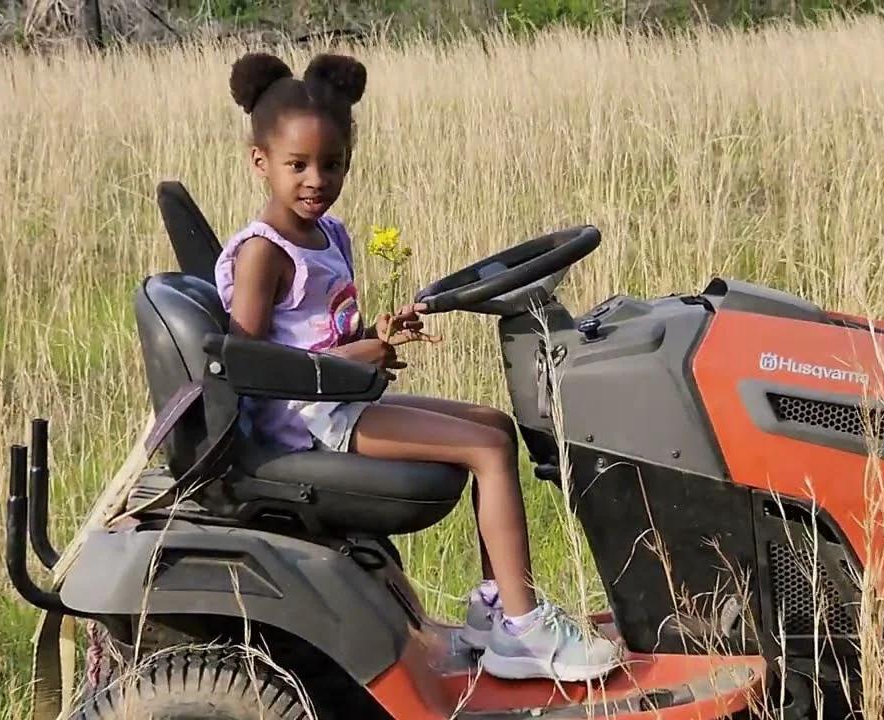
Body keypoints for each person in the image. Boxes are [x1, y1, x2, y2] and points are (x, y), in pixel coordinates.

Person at [214, 51, 622, 682]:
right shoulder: (263, 254)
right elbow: (245, 363)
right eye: (297, 165)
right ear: (259, 161)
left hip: (340, 400)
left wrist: (376, 334)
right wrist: (357, 357)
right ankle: (525, 628)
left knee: (494, 425)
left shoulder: (330, 235)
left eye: (332, 163)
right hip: (306, 421)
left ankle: (496, 611)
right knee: (484, 452)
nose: (315, 179)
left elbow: (321, 332)